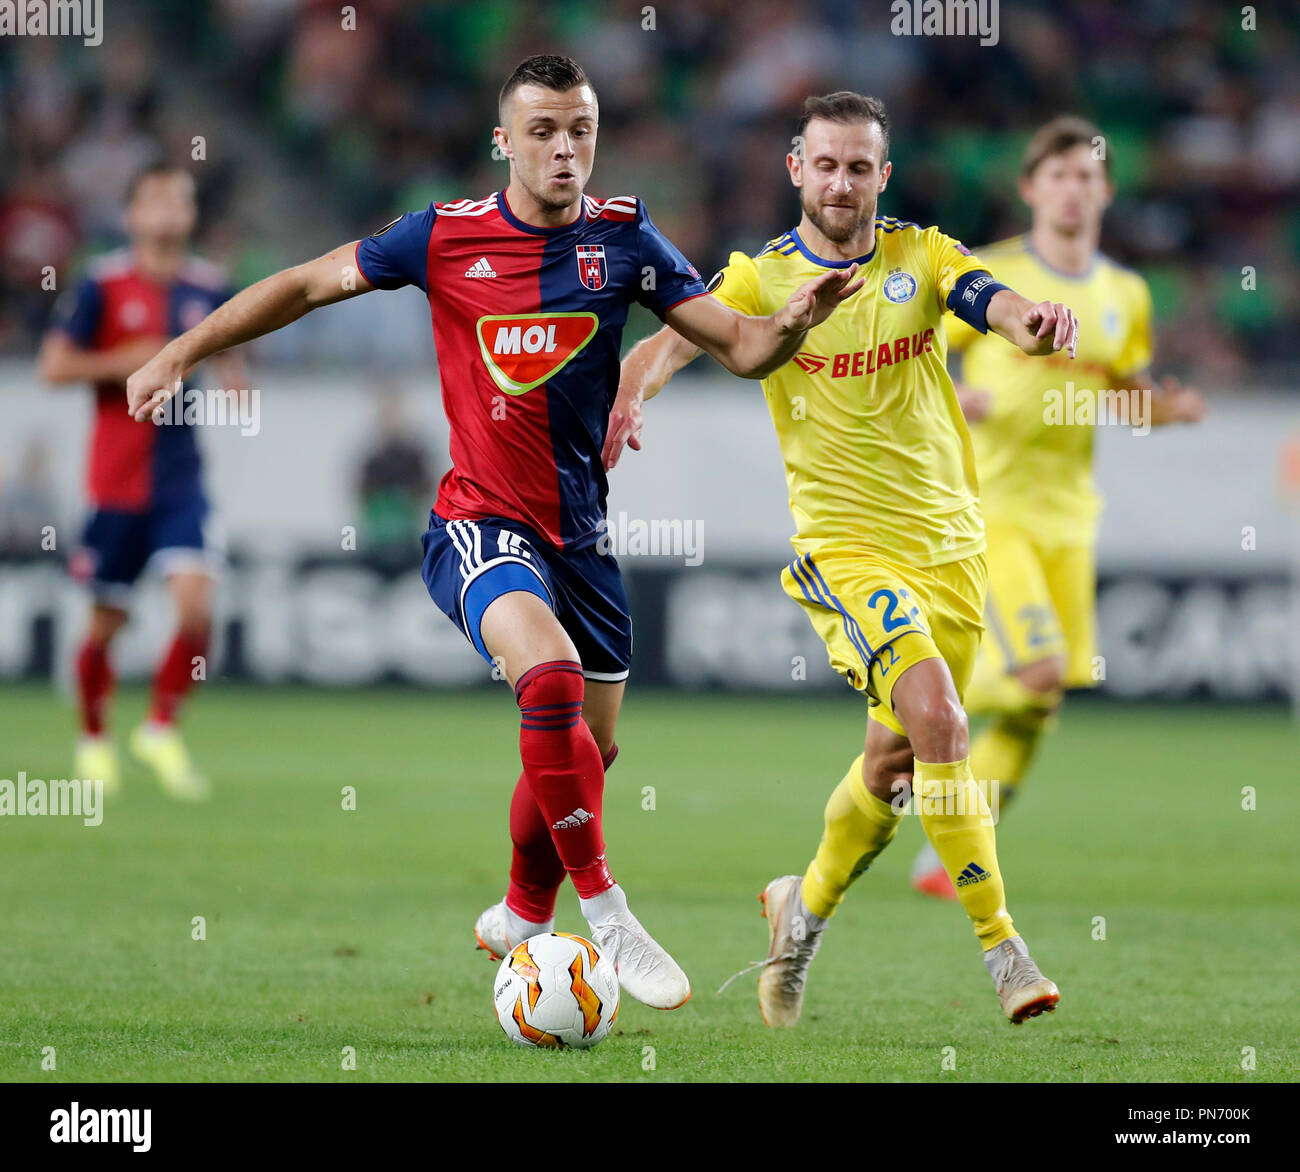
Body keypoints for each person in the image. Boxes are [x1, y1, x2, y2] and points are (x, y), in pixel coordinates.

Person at [123, 55, 863, 1010]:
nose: (566, 150)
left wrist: (796, 320)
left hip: (583, 542)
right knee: (547, 681)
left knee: (588, 760)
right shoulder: (441, 238)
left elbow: (746, 348)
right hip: (478, 520)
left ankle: (522, 907)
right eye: (545, 132)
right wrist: (181, 350)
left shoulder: (627, 242)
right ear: (503, 143)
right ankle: (607, 912)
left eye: (581, 131)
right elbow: (307, 286)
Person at [607, 92, 1078, 1025]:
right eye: (825, 164)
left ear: (883, 176)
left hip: (951, 548)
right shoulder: (758, 278)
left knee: (893, 764)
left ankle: (800, 912)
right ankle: (1004, 949)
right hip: (845, 549)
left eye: (860, 166)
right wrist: (632, 394)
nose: (841, 182)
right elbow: (667, 345)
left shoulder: (923, 255)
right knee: (940, 718)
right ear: (796, 170)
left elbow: (992, 301)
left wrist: (1035, 323)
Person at [910, 116, 1205, 899]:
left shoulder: (1124, 293)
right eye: (1060, 175)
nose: (1074, 189)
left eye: (1088, 176)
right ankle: (917, 710)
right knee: (1035, 672)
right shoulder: (992, 274)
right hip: (990, 507)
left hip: (1071, 514)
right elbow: (913, 348)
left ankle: (950, 851)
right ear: (1031, 189)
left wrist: (1163, 411)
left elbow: (1124, 392)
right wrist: (953, 393)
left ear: (1106, 191)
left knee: (1043, 699)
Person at [39, 164, 246, 801]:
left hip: (181, 484)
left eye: (179, 202)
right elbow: (53, 366)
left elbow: (232, 357)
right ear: (131, 215)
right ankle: (94, 737)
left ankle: (160, 726)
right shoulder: (102, 286)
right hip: (116, 484)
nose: (167, 213)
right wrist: (124, 361)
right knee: (105, 624)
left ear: (190, 216)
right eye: (154, 201)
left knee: (196, 606)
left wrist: (236, 385)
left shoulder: (209, 287)